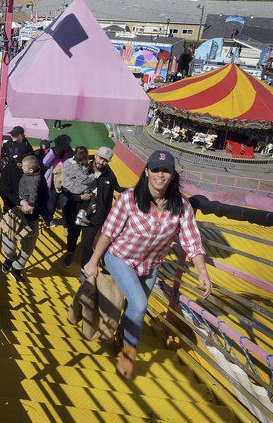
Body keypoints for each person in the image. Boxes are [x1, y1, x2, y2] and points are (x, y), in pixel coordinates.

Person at [83, 150, 211, 379]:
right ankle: (127, 359)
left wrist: (203, 271)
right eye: (156, 169)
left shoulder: (181, 206)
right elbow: (109, 231)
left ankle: (122, 335)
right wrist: (93, 261)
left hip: (150, 265)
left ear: (172, 176)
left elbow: (192, 240)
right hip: (121, 257)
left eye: (166, 171)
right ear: (147, 172)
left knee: (134, 307)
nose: (160, 175)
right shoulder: (130, 198)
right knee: (140, 304)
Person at [0, 155, 43, 282]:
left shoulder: (38, 174)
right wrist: (21, 203)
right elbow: (4, 192)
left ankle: (17, 268)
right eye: (19, 163)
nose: (21, 166)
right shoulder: (8, 171)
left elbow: (44, 194)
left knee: (28, 246)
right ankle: (9, 258)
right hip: (13, 215)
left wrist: (37, 208)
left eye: (23, 163)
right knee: (9, 247)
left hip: (31, 217)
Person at [79, 146, 121, 273]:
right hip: (80, 211)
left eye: (105, 160)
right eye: (101, 158)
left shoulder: (110, 175)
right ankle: (75, 258)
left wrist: (137, 189)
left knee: (88, 244)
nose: (101, 162)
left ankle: (85, 270)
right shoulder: (83, 167)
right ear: (96, 155)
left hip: (97, 216)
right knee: (79, 240)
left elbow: (118, 189)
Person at [61, 146, 96, 267]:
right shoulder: (82, 170)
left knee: (83, 233)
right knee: (74, 232)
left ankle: (81, 255)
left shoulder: (70, 163)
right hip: (75, 203)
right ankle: (71, 252)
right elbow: (66, 191)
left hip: (83, 203)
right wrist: (80, 198)